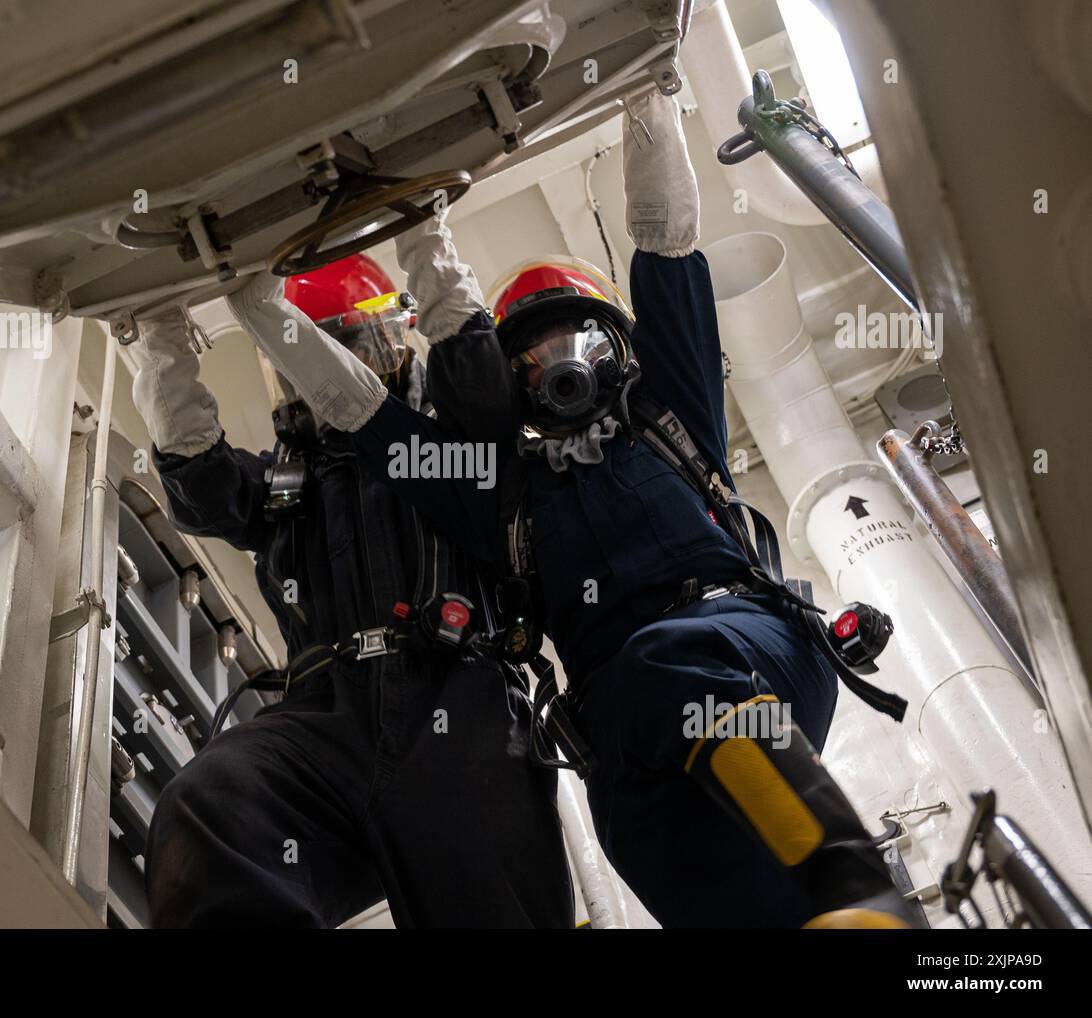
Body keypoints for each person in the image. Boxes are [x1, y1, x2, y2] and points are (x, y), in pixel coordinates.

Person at [244, 89, 915, 929]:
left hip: (745, 652)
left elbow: (664, 243)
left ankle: (857, 891)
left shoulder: (673, 420)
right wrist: (261, 314)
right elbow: (367, 420)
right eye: (531, 360)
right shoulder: (500, 494)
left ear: (619, 350)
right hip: (621, 735)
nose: (559, 369)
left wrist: (651, 96)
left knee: (670, 668)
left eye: (580, 345)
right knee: (643, 835)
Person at [128, 253, 573, 929]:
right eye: (312, 348)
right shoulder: (285, 484)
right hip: (321, 721)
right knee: (211, 802)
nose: (333, 366)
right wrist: (161, 338)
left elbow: (486, 415)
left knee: (492, 881)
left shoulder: (449, 448)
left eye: (354, 341)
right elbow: (204, 488)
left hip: (455, 697)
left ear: (393, 339)